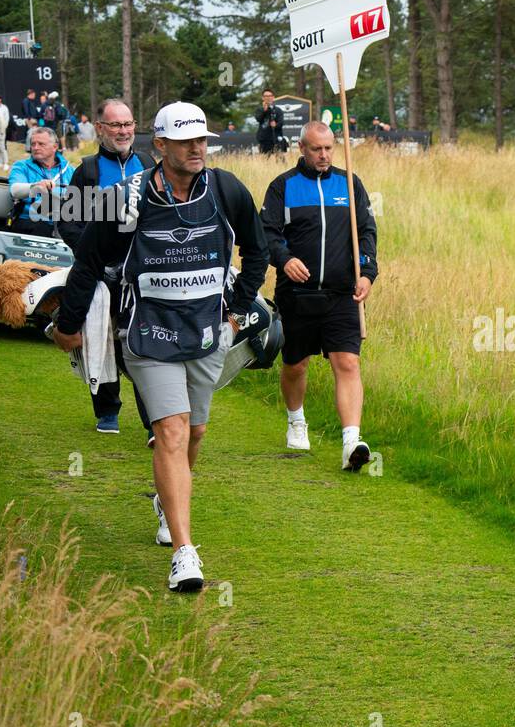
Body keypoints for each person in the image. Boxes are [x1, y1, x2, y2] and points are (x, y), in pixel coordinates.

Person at [50, 101, 270, 593]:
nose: (198, 149)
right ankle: (185, 555)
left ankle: (166, 499)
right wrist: (70, 324)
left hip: (208, 332)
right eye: (187, 141)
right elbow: (87, 262)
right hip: (146, 333)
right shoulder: (121, 198)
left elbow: (257, 250)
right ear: (161, 146)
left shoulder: (228, 189)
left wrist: (236, 308)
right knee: (169, 431)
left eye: (203, 140)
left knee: (194, 432)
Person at [261, 121, 378, 469]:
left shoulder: (350, 183)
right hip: (297, 294)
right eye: (317, 149)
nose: (324, 155)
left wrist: (367, 273)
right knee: (296, 365)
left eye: (329, 148)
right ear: (301, 148)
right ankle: (296, 421)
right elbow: (266, 234)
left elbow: (366, 232)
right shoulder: (282, 187)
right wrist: (285, 259)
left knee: (348, 362)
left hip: (343, 294)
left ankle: (351, 443)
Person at [59, 98, 156, 437]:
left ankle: (153, 422)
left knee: (148, 345)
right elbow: (69, 224)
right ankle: (107, 411)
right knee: (101, 341)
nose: (123, 131)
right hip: (102, 276)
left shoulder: (148, 163)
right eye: (115, 125)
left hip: (142, 276)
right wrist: (93, 258)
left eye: (128, 124)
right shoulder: (88, 171)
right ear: (100, 128)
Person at [7, 126, 74, 237]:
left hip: (63, 223)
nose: (35, 147)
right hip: (30, 221)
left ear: (55, 147)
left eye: (41, 144)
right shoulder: (21, 166)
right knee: (42, 227)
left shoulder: (70, 170)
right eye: (33, 144)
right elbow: (15, 190)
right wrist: (36, 186)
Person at [255, 88, 283, 155]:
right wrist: (264, 111)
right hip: (264, 139)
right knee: (265, 160)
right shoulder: (259, 109)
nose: (268, 98)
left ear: (273, 97)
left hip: (276, 138)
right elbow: (258, 119)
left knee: (280, 159)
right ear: (262, 98)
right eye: (266, 96)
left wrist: (275, 125)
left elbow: (281, 123)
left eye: (270, 96)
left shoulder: (278, 110)